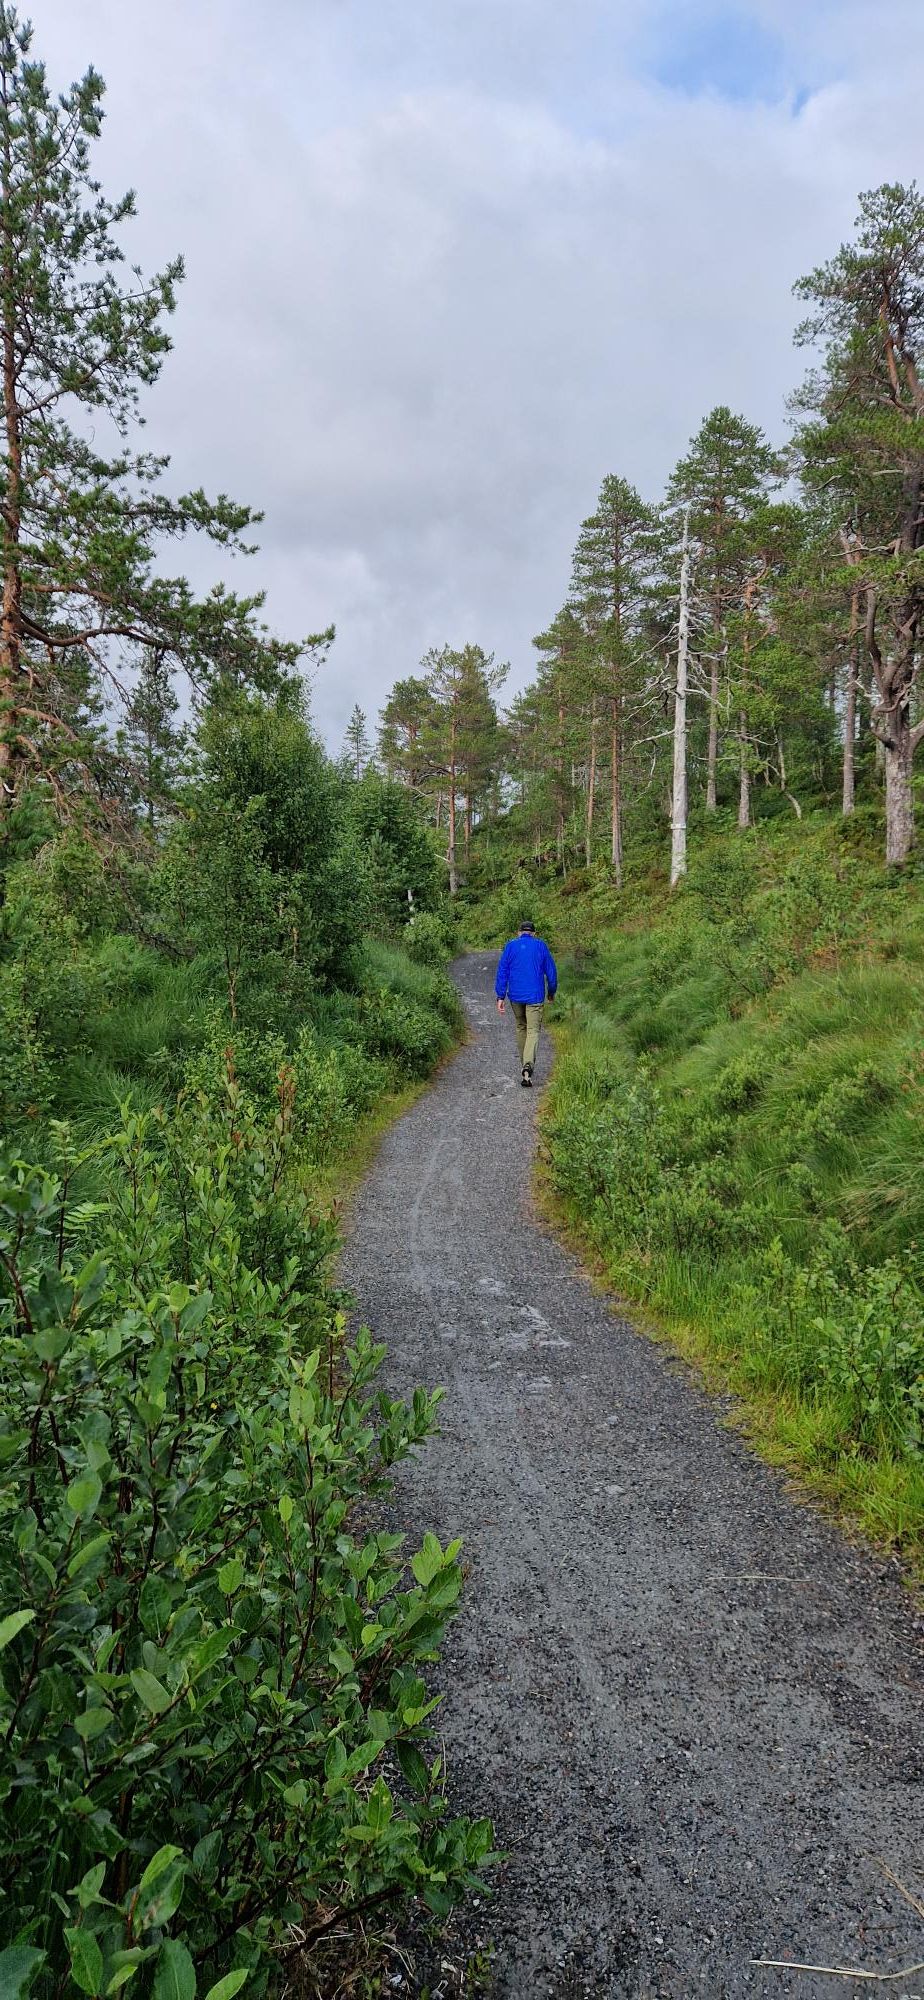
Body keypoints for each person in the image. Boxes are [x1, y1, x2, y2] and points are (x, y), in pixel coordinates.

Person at [495, 919, 558, 1087]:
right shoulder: (541, 946)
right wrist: (551, 992)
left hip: (515, 995)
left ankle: (525, 1067)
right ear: (534, 933)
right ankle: (528, 1067)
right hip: (535, 996)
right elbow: (551, 972)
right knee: (533, 1030)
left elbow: (502, 971)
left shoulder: (510, 946)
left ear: (519, 932)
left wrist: (500, 996)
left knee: (521, 1026)